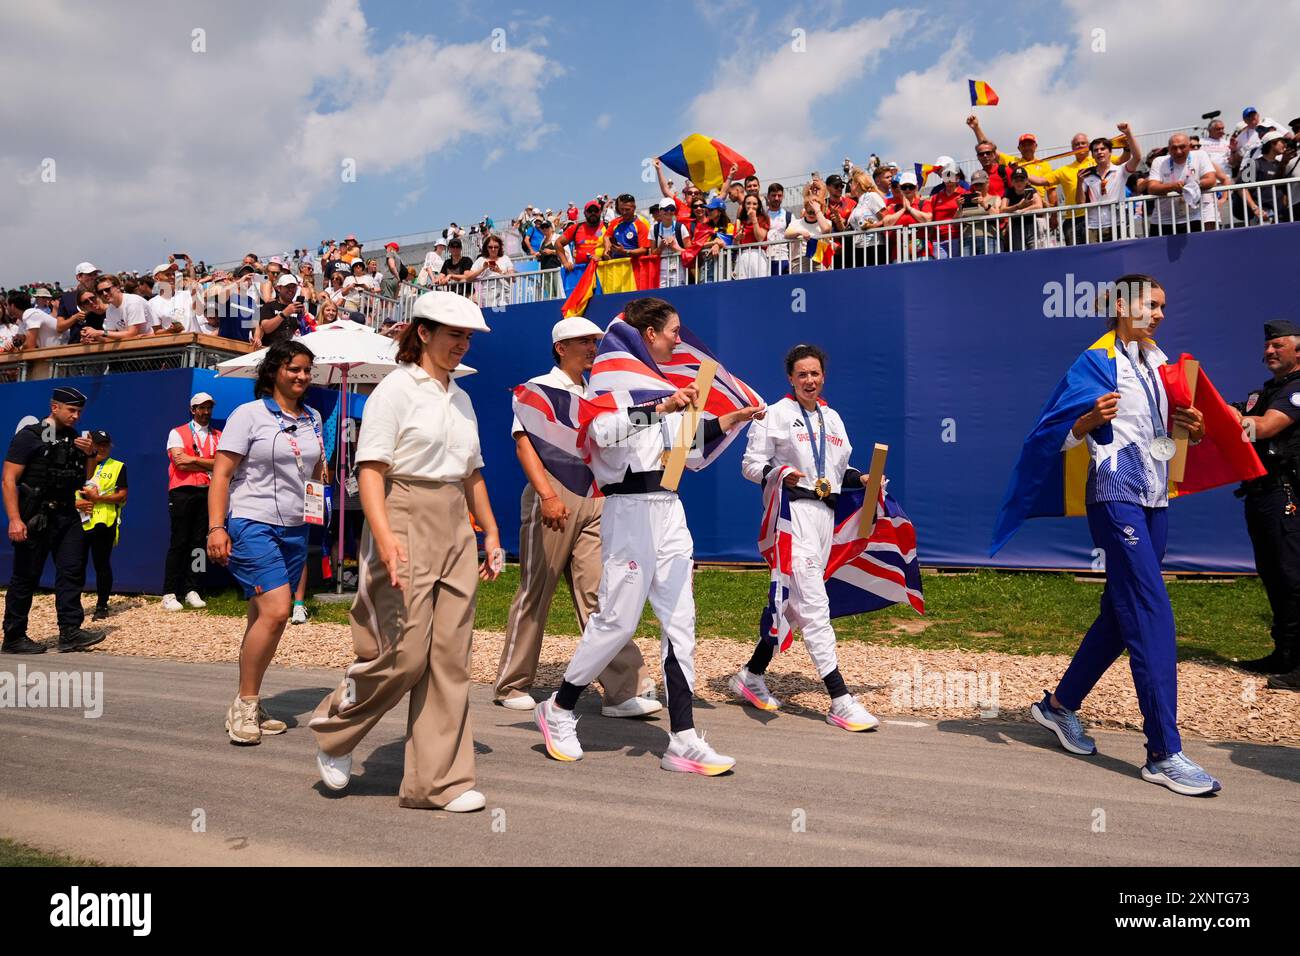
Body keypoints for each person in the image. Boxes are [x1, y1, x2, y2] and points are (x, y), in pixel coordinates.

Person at [532, 298, 764, 775]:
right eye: (674, 331)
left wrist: (731, 419)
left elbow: (686, 444)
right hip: (628, 510)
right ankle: (558, 708)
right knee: (616, 621)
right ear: (649, 333)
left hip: (669, 508)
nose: (680, 339)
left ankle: (682, 738)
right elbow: (601, 432)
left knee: (682, 622)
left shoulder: (663, 385)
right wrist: (659, 406)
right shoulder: (610, 380)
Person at [1029, 274, 1222, 796]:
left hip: (1156, 498)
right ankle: (1163, 751)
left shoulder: (1160, 364)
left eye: (1162, 306)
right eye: (1150, 305)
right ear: (1120, 306)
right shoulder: (1095, 362)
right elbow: (1053, 439)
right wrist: (1087, 420)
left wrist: (1194, 429)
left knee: (1121, 612)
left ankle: (1058, 706)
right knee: (1152, 610)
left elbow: (1167, 437)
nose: (1159, 314)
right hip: (1115, 495)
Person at [310, 292, 502, 812]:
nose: (461, 344)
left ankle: (438, 784)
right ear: (422, 333)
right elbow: (369, 470)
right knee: (404, 653)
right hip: (403, 511)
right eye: (453, 334)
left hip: (454, 521)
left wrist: (490, 533)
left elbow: (473, 472)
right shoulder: (393, 390)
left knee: (449, 658)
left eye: (467, 337)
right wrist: (385, 536)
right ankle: (336, 729)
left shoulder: (461, 396)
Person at [495, 317, 659, 714]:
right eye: (583, 342)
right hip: (552, 492)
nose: (591, 348)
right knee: (537, 588)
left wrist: (664, 410)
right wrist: (548, 495)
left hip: (597, 496)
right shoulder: (540, 390)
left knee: (601, 594)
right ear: (560, 348)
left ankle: (622, 690)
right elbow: (524, 446)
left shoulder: (603, 391)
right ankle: (511, 683)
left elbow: (616, 432)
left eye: (594, 341)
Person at [732, 344, 881, 731]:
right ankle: (840, 700)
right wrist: (781, 473)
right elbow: (750, 465)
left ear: (823, 377)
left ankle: (750, 675)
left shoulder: (833, 419)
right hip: (791, 516)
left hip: (824, 519)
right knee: (815, 605)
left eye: (814, 374)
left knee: (794, 608)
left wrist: (862, 478)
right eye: (802, 375)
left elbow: (838, 470)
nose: (809, 381)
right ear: (791, 379)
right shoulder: (774, 415)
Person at [208, 341, 325, 745]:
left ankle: (250, 701)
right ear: (274, 370)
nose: (302, 376)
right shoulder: (249, 415)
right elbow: (221, 475)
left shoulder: (314, 417)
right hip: (251, 521)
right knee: (277, 611)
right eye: (294, 368)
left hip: (297, 525)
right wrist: (215, 528)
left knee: (262, 619)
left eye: (308, 370)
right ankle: (244, 705)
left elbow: (311, 470)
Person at [2, 386, 104, 654]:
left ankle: (70, 632)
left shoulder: (74, 438)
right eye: (71, 410)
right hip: (36, 514)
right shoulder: (30, 437)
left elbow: (85, 480)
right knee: (25, 576)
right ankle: (14, 636)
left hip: (67, 514)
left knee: (71, 571)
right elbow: (9, 480)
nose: (76, 416)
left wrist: (90, 454)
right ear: (54, 407)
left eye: (79, 411)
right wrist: (14, 519)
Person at [1227, 320, 1300, 680]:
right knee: (1273, 575)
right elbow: (1234, 414)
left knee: (1292, 576)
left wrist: (1234, 420)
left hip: (1286, 494)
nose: (1269, 351)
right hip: (1259, 493)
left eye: (1279, 345)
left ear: (1298, 351)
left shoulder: (1298, 389)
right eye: (1268, 345)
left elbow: (1267, 427)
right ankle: (1284, 655)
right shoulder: (1264, 392)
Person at [163, 392, 220, 611]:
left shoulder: (218, 435)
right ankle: (169, 591)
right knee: (179, 542)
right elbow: (180, 463)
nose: (205, 412)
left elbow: (224, 465)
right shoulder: (177, 433)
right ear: (193, 410)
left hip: (208, 492)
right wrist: (210, 463)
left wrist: (194, 459)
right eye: (201, 408)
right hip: (182, 492)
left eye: (208, 408)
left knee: (199, 544)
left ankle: (192, 588)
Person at [79, 430, 127, 621]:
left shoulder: (117, 466)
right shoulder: (78, 463)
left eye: (106, 444)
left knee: (101, 564)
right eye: (98, 444)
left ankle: (102, 605)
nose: (102, 448)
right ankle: (72, 605)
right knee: (76, 565)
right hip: (79, 520)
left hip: (104, 521)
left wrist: (98, 498)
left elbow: (122, 495)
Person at [1139, 132, 1217, 236]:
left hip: (1194, 216)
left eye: (1182, 147)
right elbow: (1152, 188)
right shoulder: (1159, 161)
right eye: (1174, 148)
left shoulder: (1200, 155)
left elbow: (1211, 180)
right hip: (1163, 219)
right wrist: (1173, 187)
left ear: (1190, 147)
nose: (1178, 151)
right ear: (1169, 149)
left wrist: (1192, 185)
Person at [1077, 126, 1141, 243]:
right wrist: (1079, 182)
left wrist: (1128, 133)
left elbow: (1137, 157)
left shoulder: (1120, 170)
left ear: (1110, 152)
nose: (1099, 152)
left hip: (1117, 223)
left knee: (1119, 258)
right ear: (1092, 154)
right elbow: (1080, 202)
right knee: (1096, 261)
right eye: (1096, 150)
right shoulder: (1087, 175)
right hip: (1093, 226)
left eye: (1103, 149)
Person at [258, 273, 306, 348]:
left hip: (291, 352)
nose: (291, 290)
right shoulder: (270, 305)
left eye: (293, 287)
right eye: (287, 287)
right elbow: (266, 328)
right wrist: (284, 313)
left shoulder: (298, 308)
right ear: (279, 288)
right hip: (271, 351)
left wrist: (303, 318)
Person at [732, 193, 770, 279]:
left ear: (759, 206)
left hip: (758, 255)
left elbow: (760, 238)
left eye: (754, 204)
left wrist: (754, 219)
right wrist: (737, 238)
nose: (751, 206)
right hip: (742, 256)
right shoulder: (740, 221)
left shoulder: (764, 218)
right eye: (748, 203)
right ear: (744, 205)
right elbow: (734, 244)